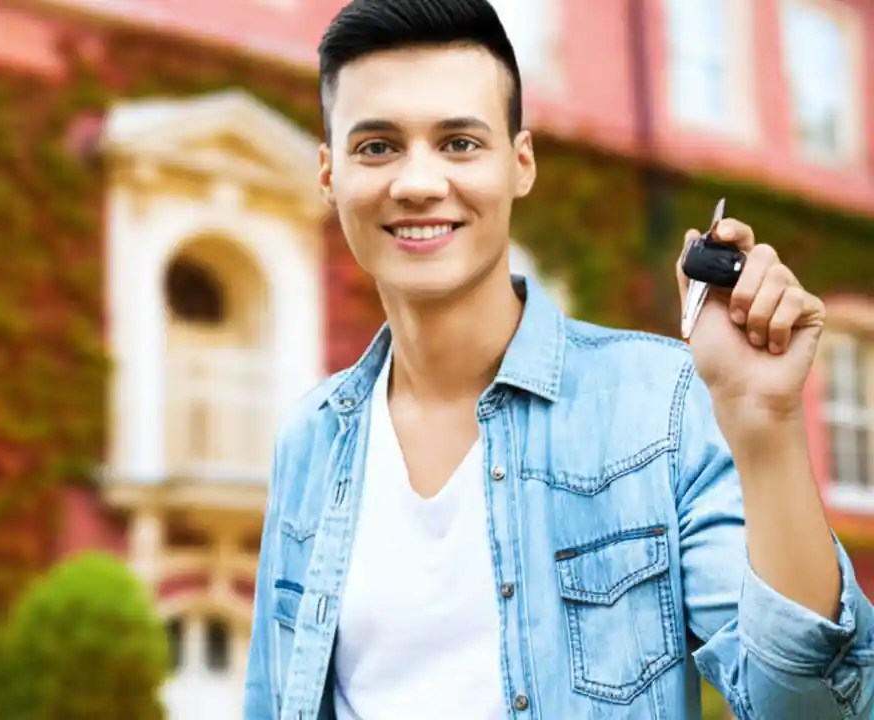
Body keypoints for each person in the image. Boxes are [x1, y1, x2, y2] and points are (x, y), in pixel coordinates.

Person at [241, 0, 874, 718]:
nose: (417, 182)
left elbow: (816, 708)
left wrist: (766, 426)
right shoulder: (310, 441)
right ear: (329, 174)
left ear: (520, 164)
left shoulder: (657, 406)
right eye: (377, 146)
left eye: (458, 143)